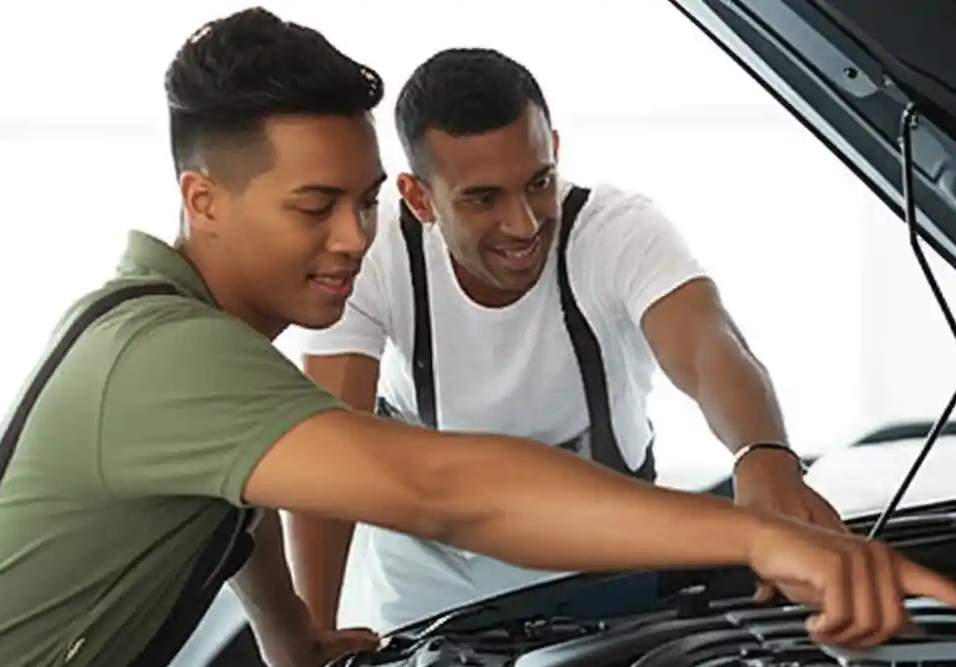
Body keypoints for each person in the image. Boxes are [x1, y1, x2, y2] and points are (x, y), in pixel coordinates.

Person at [0, 8, 956, 667]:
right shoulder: (159, 355)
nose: (348, 240)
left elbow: (236, 488)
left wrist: (290, 632)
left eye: (353, 203)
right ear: (204, 200)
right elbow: (434, 487)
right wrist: (761, 536)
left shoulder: (186, 340)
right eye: (313, 207)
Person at [287, 48, 847, 633]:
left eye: (537, 182)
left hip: (606, 560)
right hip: (431, 583)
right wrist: (308, 639)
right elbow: (324, 451)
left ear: (554, 149)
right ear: (419, 197)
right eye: (483, 199)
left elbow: (709, 346)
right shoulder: (374, 259)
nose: (523, 224)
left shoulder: (614, 231)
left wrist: (762, 455)